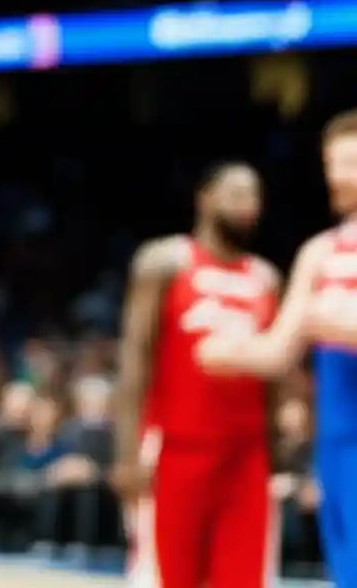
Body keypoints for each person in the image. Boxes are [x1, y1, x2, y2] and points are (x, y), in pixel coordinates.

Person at [200, 110, 357, 588]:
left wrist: (336, 323)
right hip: (337, 442)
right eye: (331, 163)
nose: (336, 176)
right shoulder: (319, 252)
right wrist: (223, 345)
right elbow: (277, 351)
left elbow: (320, 322)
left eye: (348, 162)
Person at [111, 162, 281, 587]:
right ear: (204, 199)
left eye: (256, 196)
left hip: (245, 458)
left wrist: (276, 453)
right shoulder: (164, 262)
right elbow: (135, 360)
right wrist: (126, 454)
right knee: (168, 578)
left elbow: (273, 379)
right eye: (237, 194)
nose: (249, 206)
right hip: (175, 451)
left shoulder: (266, 278)